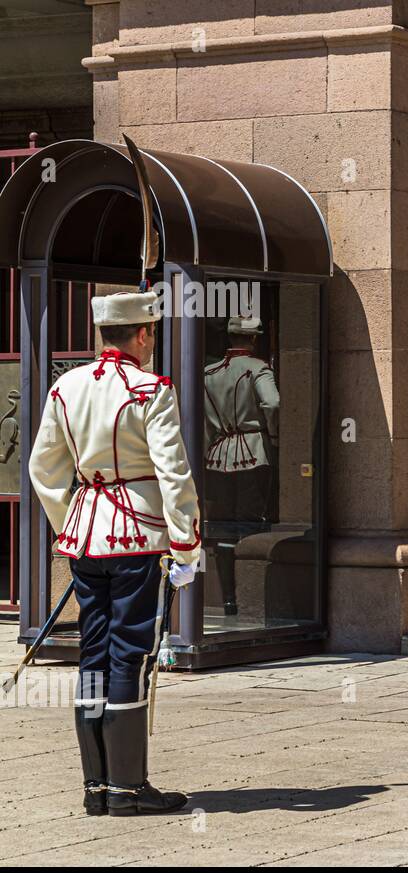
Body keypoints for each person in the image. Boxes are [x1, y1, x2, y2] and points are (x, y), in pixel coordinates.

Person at [28, 289, 202, 816]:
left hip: (87, 538)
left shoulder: (66, 386)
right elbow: (174, 474)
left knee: (95, 650)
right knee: (132, 652)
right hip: (138, 537)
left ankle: (97, 787)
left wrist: (74, 521)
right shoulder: (153, 390)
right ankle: (128, 789)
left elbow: (43, 467)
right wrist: (186, 543)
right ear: (143, 333)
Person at [202, 312, 280, 616]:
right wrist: (273, 435)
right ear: (254, 338)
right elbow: (272, 403)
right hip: (253, 452)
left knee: (222, 533)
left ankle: (229, 599)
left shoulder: (209, 372)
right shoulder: (257, 368)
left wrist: (211, 443)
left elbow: (203, 420)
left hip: (217, 456)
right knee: (250, 525)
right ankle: (253, 601)